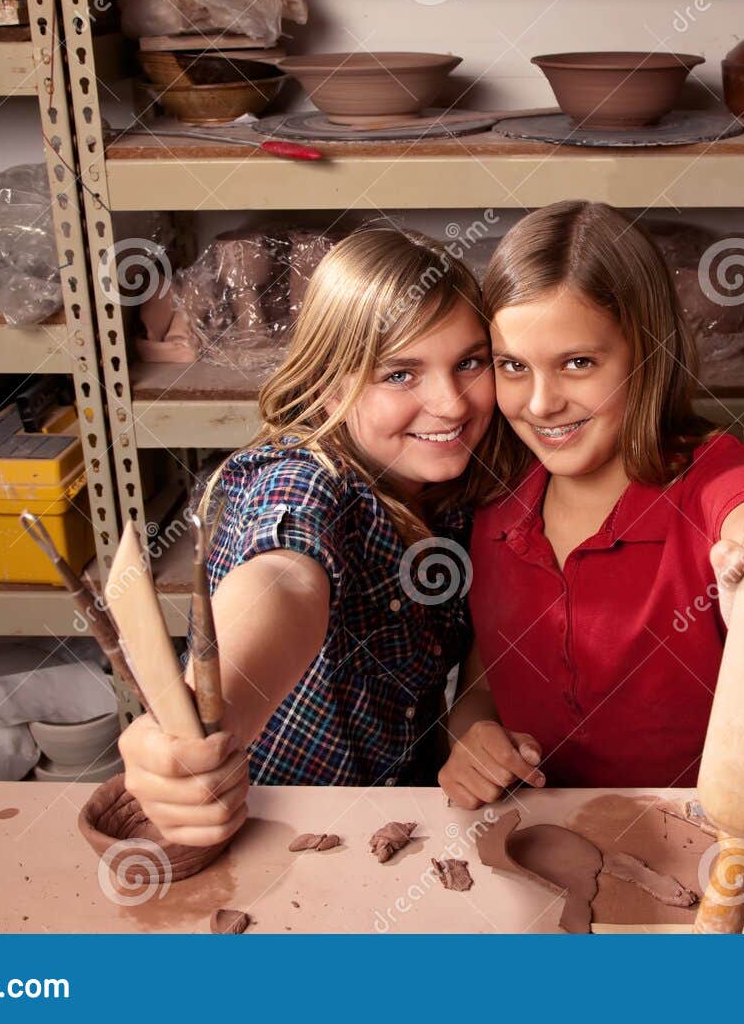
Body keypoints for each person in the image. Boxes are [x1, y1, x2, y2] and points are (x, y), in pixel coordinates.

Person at [438, 202, 744, 808]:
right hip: (530, 828)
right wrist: (470, 735)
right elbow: (482, 683)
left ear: (648, 352)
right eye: (513, 366)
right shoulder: (495, 501)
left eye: (578, 363)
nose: (542, 403)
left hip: (701, 841)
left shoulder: (713, 481)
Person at [117, 227, 499, 846]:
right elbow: (284, 576)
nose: (451, 404)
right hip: (272, 831)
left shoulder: (460, 488)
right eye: (399, 374)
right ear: (327, 386)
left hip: (398, 824)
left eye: (469, 363)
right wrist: (197, 731)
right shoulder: (303, 481)